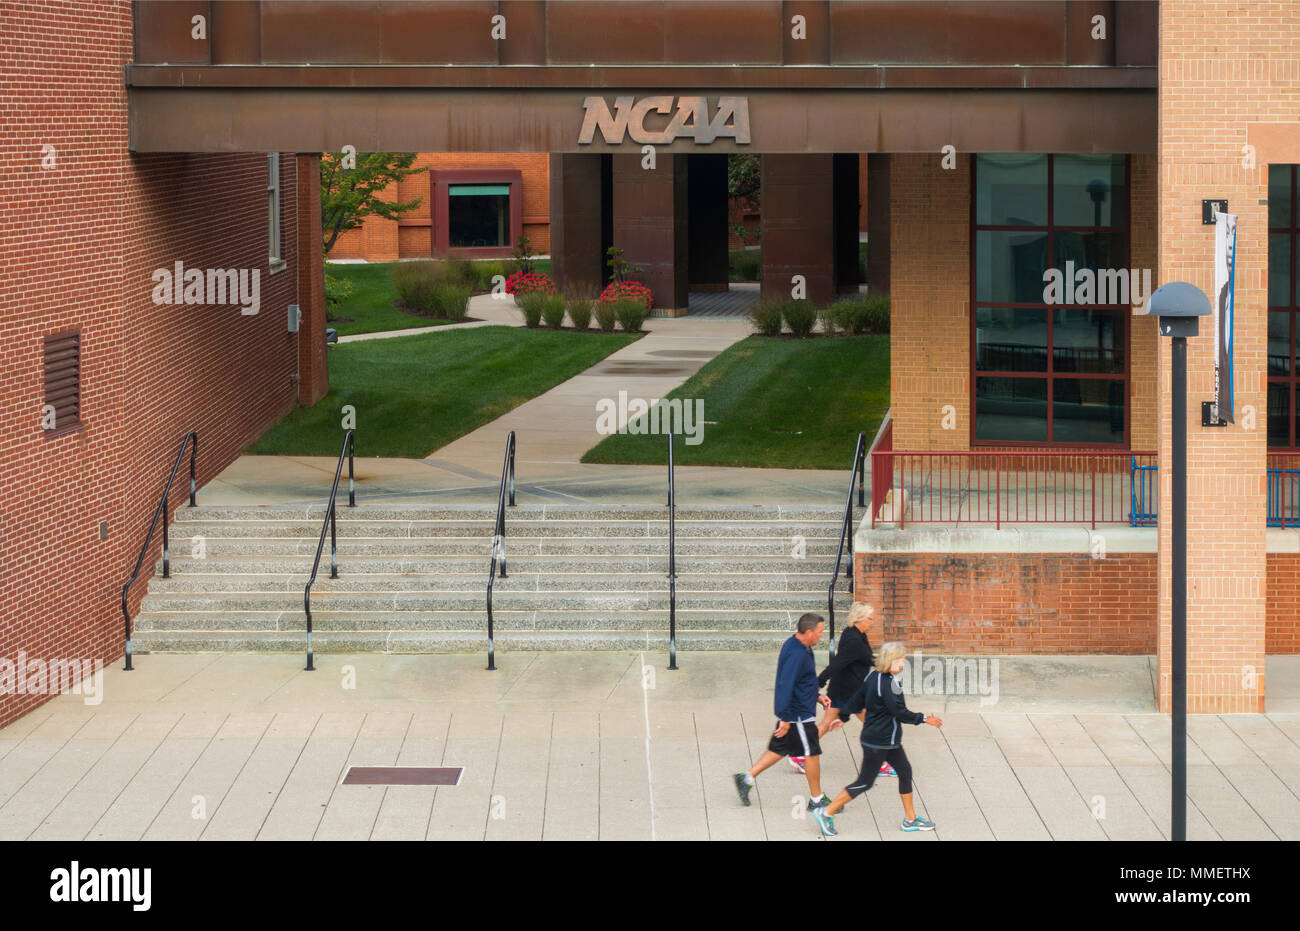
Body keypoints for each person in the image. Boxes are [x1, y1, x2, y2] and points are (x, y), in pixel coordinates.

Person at [812, 641, 942, 837]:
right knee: (865, 782)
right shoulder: (889, 684)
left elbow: (857, 699)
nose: (902, 665)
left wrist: (842, 717)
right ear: (891, 661)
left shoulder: (873, 676)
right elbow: (899, 712)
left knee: (905, 772)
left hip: (886, 740)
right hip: (878, 741)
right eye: (900, 661)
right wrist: (924, 718)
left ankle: (910, 819)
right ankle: (826, 812)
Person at [734, 613, 834, 811]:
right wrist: (785, 718)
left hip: (795, 712)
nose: (822, 636)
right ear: (808, 632)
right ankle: (817, 799)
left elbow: (804, 679)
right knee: (811, 753)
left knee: (779, 748)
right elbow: (785, 685)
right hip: (798, 715)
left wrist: (817, 695)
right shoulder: (797, 654)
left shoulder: (801, 647)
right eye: (820, 632)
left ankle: (746, 779)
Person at [789, 602, 896, 779]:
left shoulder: (856, 634)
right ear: (860, 619)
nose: (872, 622)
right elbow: (839, 663)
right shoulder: (854, 639)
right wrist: (820, 681)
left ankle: (799, 754)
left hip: (843, 689)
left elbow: (864, 658)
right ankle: (880, 765)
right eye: (870, 618)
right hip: (851, 691)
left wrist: (884, 664)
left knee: (826, 724)